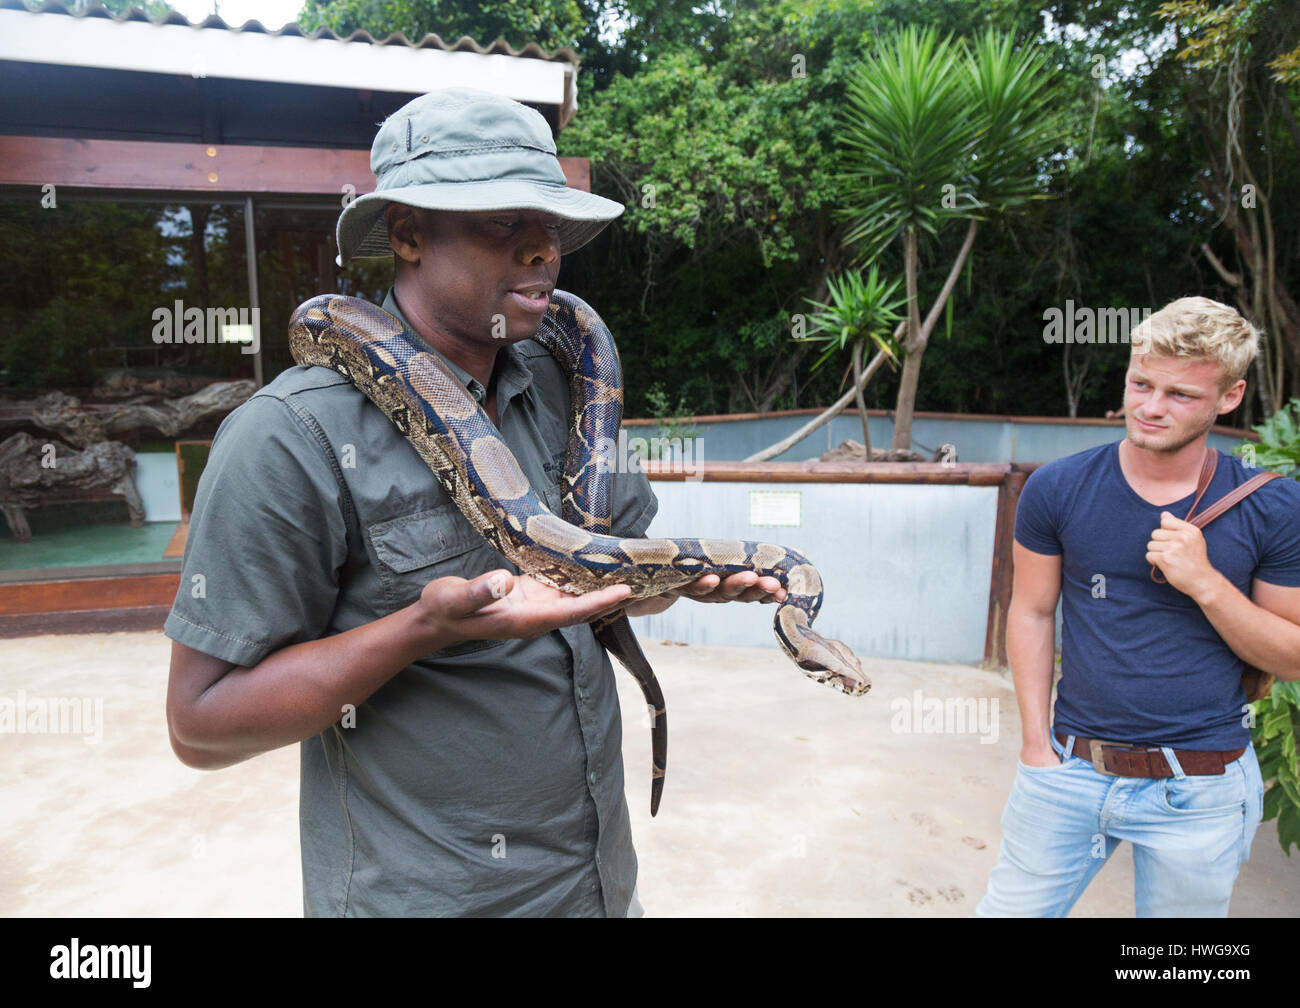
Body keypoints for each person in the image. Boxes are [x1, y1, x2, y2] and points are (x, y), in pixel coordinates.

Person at [164, 88, 785, 917]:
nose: (541, 251)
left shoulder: (566, 385)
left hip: (595, 887)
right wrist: (423, 629)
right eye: (500, 222)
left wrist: (685, 579)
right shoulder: (286, 437)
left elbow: (609, 565)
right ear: (408, 234)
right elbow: (200, 724)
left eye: (550, 225)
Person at [978, 296, 1300, 917]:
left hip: (1202, 786)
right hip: (1068, 770)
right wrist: (1034, 746)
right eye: (1141, 384)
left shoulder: (1274, 508)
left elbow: (1291, 657)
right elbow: (1033, 611)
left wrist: (1205, 581)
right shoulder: (1057, 488)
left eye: (1180, 394)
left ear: (1228, 398)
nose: (1151, 407)